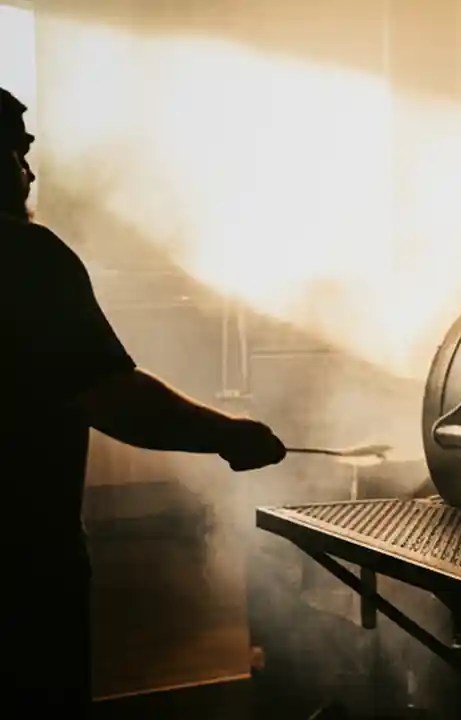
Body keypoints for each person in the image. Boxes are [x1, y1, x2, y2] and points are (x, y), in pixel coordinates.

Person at [0, 86, 288, 715]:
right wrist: (228, 434)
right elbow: (111, 395)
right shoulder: (26, 257)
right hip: (19, 562)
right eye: (16, 152)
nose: (29, 171)